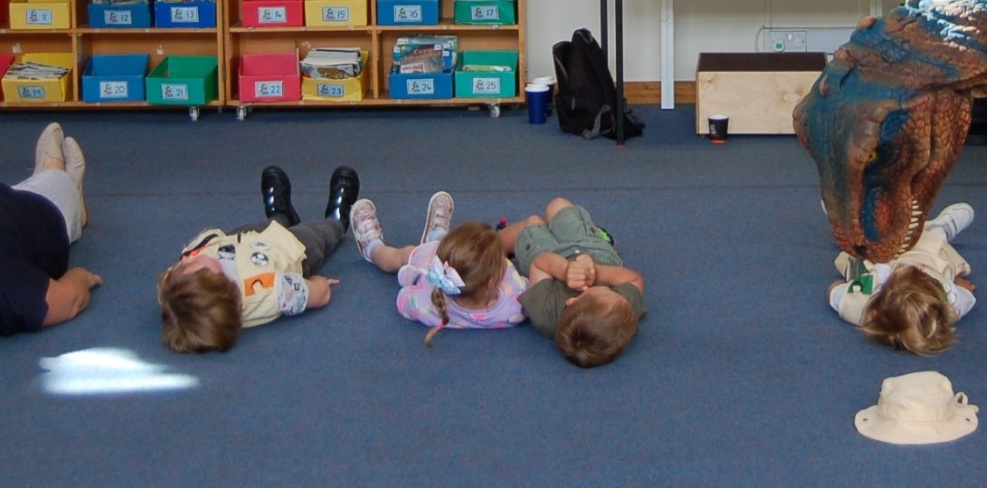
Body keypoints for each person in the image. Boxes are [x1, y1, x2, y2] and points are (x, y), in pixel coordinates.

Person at [156, 165, 358, 354]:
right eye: (192, 264)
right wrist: (316, 282)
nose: (184, 261)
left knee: (268, 224)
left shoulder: (178, 293)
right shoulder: (273, 291)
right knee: (319, 235)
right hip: (289, 247)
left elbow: (176, 296)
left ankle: (280, 215)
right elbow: (320, 295)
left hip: (241, 241)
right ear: (220, 279)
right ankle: (337, 220)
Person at [349, 191, 525, 345]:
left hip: (429, 260)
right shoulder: (515, 308)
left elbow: (403, 297)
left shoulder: (426, 304)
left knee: (400, 255)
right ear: (492, 281)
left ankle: (373, 248)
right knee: (450, 249)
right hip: (451, 263)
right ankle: (438, 234)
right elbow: (527, 286)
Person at [500, 196, 646, 367]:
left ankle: (495, 243)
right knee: (557, 204)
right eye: (613, 290)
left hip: (549, 259)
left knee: (532, 222)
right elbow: (634, 279)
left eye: (606, 290)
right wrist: (597, 272)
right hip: (593, 252)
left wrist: (565, 270)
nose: (613, 290)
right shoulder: (622, 312)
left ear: (572, 301)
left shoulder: (545, 315)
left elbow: (540, 263)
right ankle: (592, 233)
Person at [828, 202, 975, 355]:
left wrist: (845, 285)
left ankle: (847, 226)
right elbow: (966, 291)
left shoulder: (860, 304)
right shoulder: (950, 301)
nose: (905, 266)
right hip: (929, 261)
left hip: (880, 260)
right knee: (935, 246)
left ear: (879, 295)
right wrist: (959, 282)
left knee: (864, 252)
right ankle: (940, 230)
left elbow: (833, 290)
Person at [1, 122, 101, 336]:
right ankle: (60, 180)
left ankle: (57, 177)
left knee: (46, 190)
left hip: (27, 210)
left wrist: (80, 277)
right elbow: (65, 301)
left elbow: (61, 301)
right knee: (52, 189)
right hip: (29, 212)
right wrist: (81, 277)